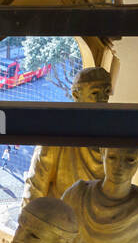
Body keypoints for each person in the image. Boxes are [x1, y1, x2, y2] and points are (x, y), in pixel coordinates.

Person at [23, 66, 113, 204]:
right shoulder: (58, 132)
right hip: (60, 217)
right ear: (76, 95)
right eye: (95, 93)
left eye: (106, 92)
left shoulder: (114, 132)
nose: (103, 98)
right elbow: (36, 184)